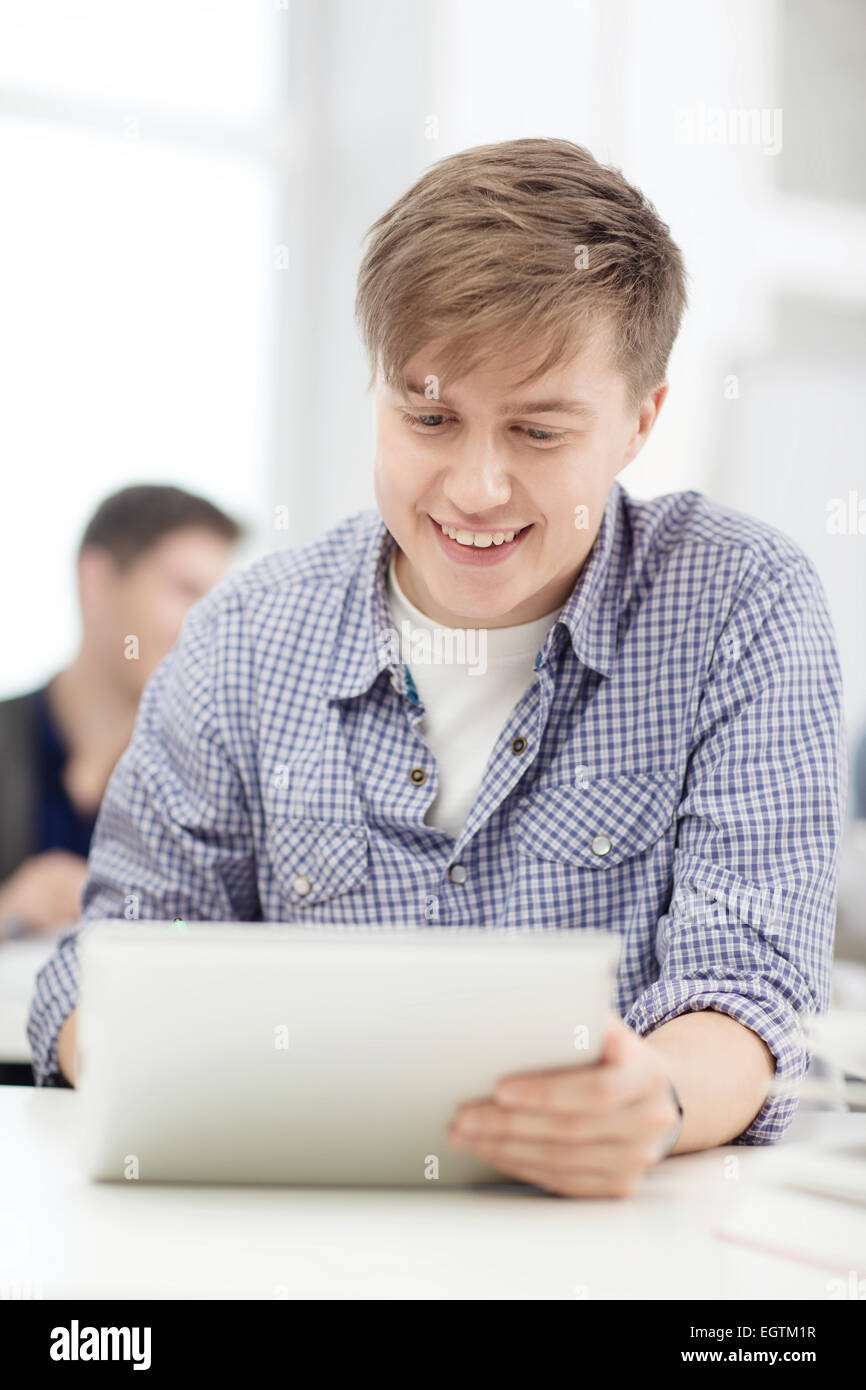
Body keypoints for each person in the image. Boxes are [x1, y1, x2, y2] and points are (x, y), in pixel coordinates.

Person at [28, 139, 846, 1198]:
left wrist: (656, 1100)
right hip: (298, 1232)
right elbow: (107, 962)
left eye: (537, 431)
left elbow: (750, 987)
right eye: (429, 419)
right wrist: (156, 1060)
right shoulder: (245, 636)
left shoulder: (738, 604)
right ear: (376, 390)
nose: (474, 487)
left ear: (639, 423)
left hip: (618, 1237)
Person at [0, 485, 243, 936]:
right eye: (185, 590)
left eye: (218, 601)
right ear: (96, 582)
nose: (206, 624)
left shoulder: (214, 772)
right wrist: (6, 911)